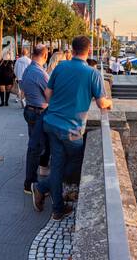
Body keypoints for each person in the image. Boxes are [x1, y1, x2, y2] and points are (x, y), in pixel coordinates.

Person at [31, 36, 112, 221]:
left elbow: (47, 94)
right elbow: (101, 103)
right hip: (72, 129)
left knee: (58, 163)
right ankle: (43, 188)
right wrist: (110, 102)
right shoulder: (92, 73)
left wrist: (58, 107)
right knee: (75, 162)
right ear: (89, 51)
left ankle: (57, 209)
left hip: (51, 123)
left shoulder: (60, 67)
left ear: (73, 49)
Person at [19, 45, 51, 197]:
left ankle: (39, 172)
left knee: (36, 145)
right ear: (45, 56)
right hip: (38, 112)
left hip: (30, 109)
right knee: (35, 148)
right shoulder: (40, 73)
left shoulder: (27, 70)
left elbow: (22, 89)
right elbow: (50, 96)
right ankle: (30, 183)